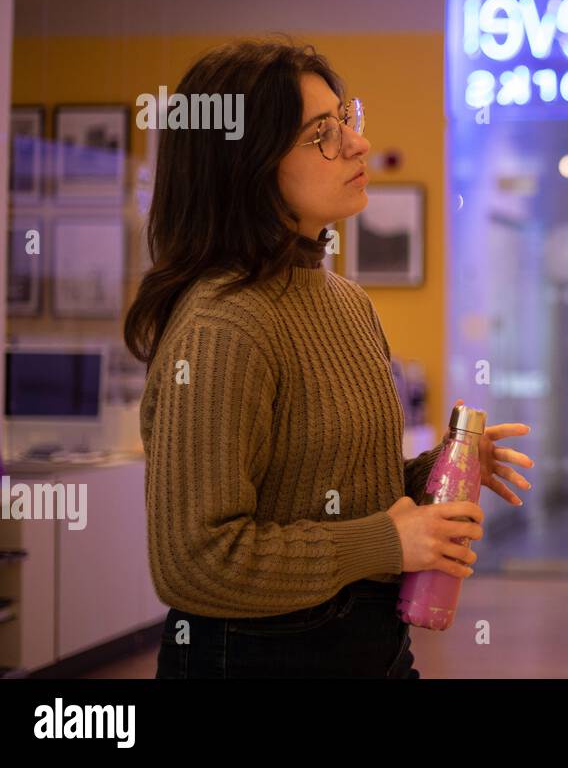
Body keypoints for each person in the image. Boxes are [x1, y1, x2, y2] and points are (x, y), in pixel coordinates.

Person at [124, 37, 533, 678]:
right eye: (322, 134)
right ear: (246, 163)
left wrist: (441, 471)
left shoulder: (346, 302)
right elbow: (195, 561)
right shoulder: (223, 325)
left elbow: (332, 497)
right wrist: (387, 543)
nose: (357, 144)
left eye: (347, 120)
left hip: (374, 647)